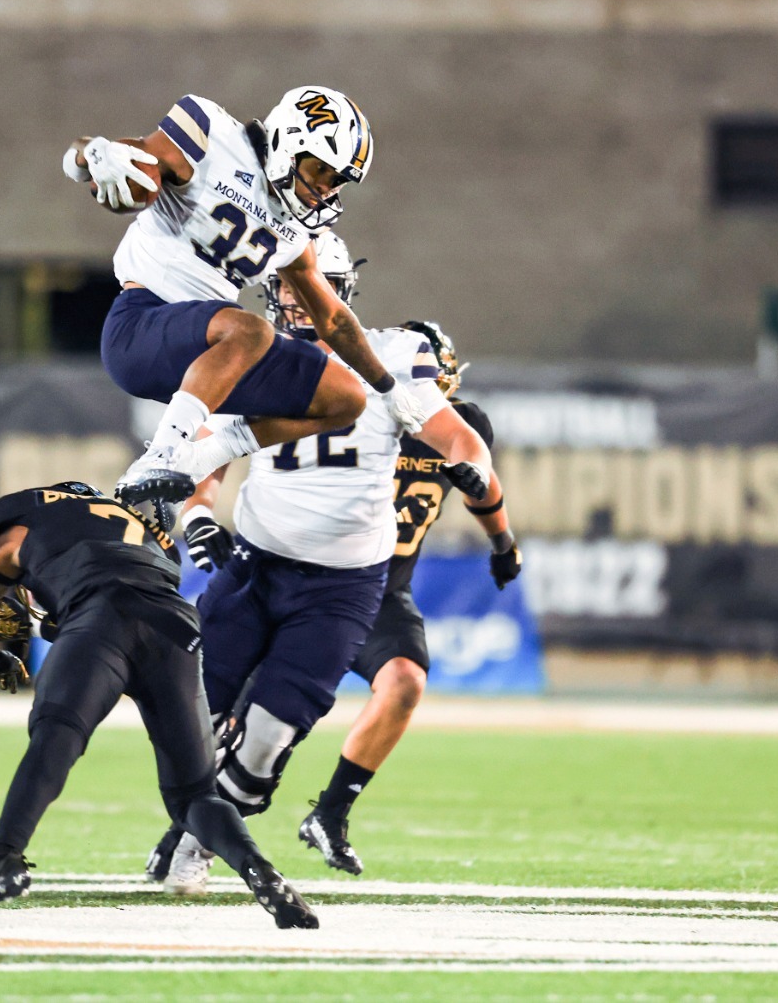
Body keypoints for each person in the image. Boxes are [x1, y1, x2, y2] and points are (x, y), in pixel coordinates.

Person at [145, 237, 500, 895]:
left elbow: (459, 434)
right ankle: (188, 826)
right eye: (284, 284)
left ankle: (197, 843)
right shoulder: (249, 349)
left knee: (263, 747)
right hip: (255, 561)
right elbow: (203, 452)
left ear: (340, 290)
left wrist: (473, 467)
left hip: (343, 584)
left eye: (309, 285)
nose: (295, 298)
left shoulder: (393, 356)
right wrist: (197, 518)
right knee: (194, 719)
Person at [0, 481, 316, 930]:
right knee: (194, 795)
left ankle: (2, 861)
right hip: (176, 629)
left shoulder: (25, 526)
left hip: (102, 617)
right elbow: (126, 596)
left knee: (55, 736)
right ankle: (259, 871)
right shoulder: (147, 534)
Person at [67, 86, 435, 522]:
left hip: (211, 354)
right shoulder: (210, 132)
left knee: (345, 398)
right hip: (141, 326)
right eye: (319, 168)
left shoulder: (296, 234)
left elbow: (332, 317)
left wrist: (387, 388)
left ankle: (193, 461)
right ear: (287, 141)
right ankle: (161, 454)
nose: (323, 186)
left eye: (335, 179)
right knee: (253, 329)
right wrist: (89, 155)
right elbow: (137, 164)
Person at [299, 319, 520, 875]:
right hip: (310, 585)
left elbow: (481, 483)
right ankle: (192, 825)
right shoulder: (351, 408)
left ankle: (330, 813)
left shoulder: (461, 425)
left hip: (380, 591)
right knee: (256, 724)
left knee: (405, 681)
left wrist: (502, 543)